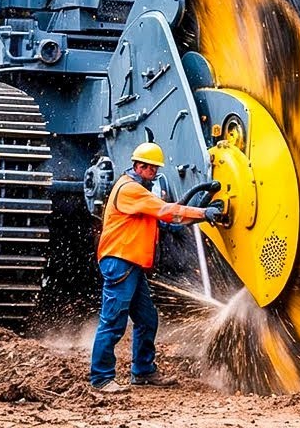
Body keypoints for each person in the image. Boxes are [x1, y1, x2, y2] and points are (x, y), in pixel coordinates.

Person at [89, 142, 210, 393]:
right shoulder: (129, 189)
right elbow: (166, 211)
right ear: (139, 166)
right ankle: (101, 378)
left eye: (156, 169)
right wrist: (204, 212)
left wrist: (198, 211)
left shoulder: (140, 193)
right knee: (113, 322)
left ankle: (143, 372)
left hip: (132, 264)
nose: (155, 173)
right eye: (152, 169)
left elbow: (166, 221)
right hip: (120, 262)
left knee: (147, 319)